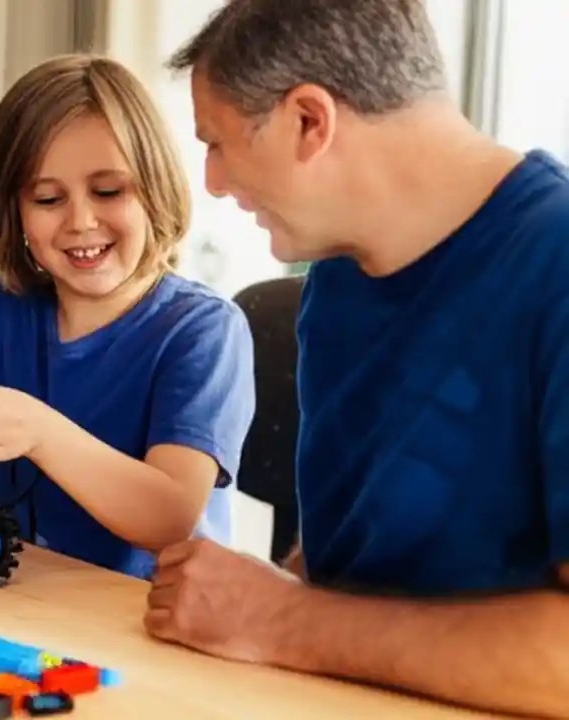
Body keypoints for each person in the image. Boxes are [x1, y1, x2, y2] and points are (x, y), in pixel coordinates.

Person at [148, 1, 569, 717]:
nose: (213, 181)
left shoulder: (554, 267)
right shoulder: (338, 273)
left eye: (217, 143)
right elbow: (362, 555)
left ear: (310, 121)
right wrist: (254, 601)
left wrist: (280, 620)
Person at [0, 54, 255, 581]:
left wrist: (40, 432)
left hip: (145, 620)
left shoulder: (202, 332)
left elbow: (170, 516)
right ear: (15, 211)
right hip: (22, 603)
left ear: (154, 187)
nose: (80, 221)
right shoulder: (6, 308)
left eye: (108, 191)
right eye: (48, 198)